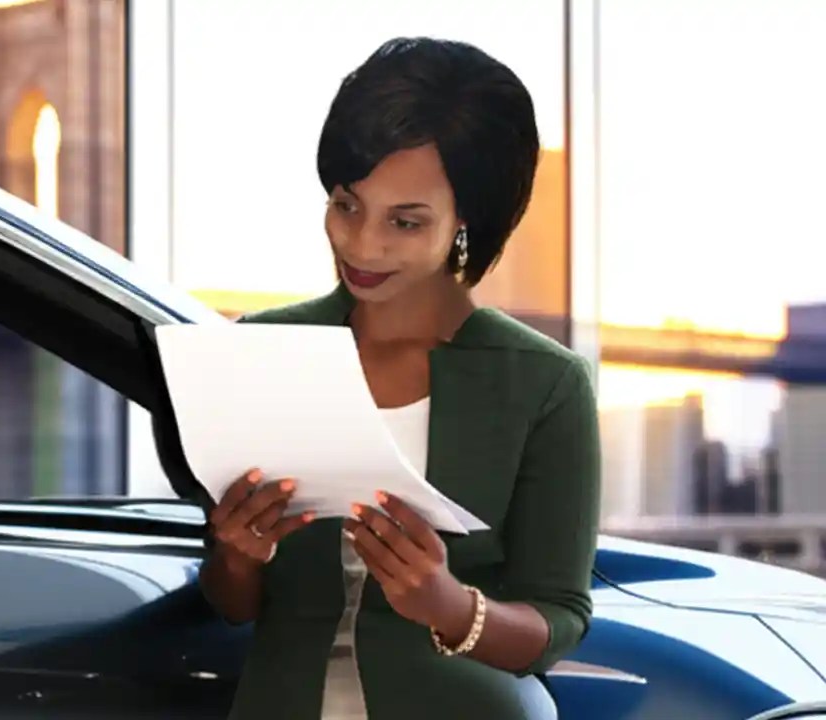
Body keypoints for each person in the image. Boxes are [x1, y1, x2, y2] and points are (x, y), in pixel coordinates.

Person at [197, 37, 601, 720]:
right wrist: (237, 558)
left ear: (465, 221)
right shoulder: (265, 349)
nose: (362, 244)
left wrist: (447, 604)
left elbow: (557, 622)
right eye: (346, 204)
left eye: (405, 222)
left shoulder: (545, 384)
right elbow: (233, 608)